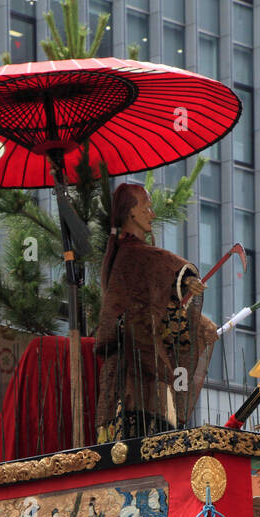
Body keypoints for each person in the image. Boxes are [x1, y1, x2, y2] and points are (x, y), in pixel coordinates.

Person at [95, 183, 217, 442]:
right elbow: (159, 266)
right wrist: (185, 279)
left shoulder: (130, 255)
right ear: (131, 213)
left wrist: (185, 286)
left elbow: (157, 296)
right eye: (147, 207)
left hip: (142, 370)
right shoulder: (131, 255)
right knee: (138, 447)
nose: (152, 214)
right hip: (134, 376)